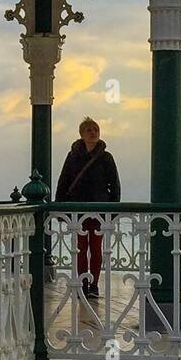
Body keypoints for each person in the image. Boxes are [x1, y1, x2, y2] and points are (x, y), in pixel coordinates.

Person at [55, 117, 121, 299]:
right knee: (81, 247)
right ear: (82, 134)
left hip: (99, 208)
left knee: (96, 247)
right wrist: (60, 206)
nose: (93, 133)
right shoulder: (73, 156)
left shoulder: (106, 157)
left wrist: (113, 210)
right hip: (79, 208)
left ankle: (94, 285)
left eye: (96, 129)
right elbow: (64, 180)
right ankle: (83, 283)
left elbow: (114, 183)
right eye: (89, 130)